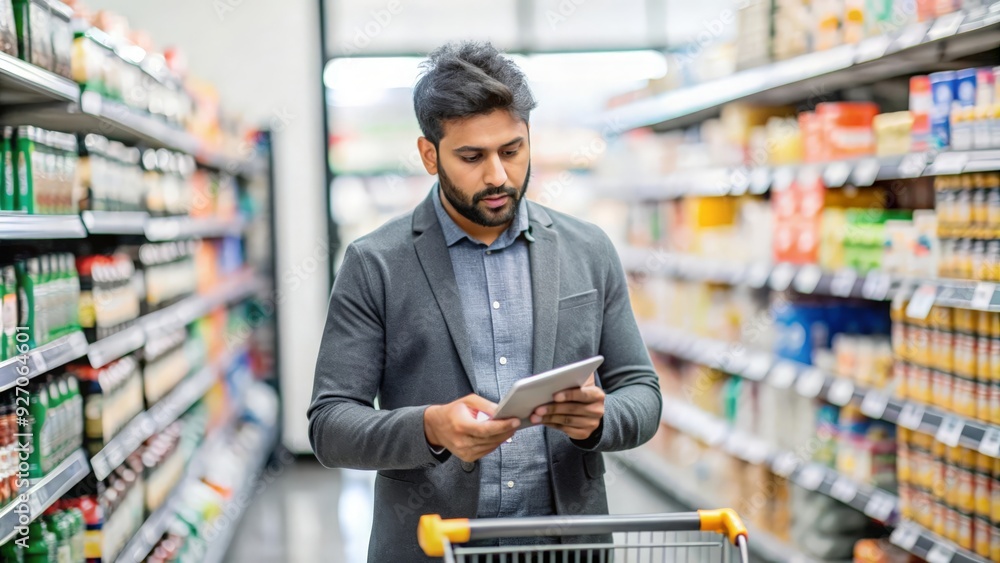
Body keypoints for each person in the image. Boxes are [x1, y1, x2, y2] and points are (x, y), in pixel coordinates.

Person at [307, 40, 661, 562]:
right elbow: (330, 425)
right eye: (472, 156)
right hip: (433, 547)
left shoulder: (588, 249)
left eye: (512, 151)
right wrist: (429, 427)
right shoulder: (376, 262)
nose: (497, 175)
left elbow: (643, 393)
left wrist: (600, 419)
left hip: (565, 548)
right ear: (430, 155)